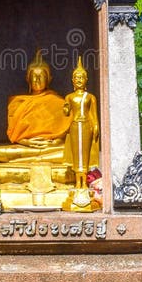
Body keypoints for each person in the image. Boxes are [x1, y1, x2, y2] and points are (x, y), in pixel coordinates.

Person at [0, 50, 73, 185]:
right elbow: (14, 135)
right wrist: (27, 142)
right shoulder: (17, 102)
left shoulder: (59, 102)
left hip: (51, 148)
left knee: (69, 152)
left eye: (41, 76)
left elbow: (67, 133)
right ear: (28, 79)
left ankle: (25, 162)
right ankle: (36, 159)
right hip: (27, 148)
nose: (37, 80)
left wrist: (56, 142)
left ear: (49, 79)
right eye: (34, 76)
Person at [63, 57, 100, 190]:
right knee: (76, 154)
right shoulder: (69, 97)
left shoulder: (90, 97)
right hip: (74, 126)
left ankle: (84, 181)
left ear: (86, 80)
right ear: (72, 80)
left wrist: (96, 126)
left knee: (85, 154)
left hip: (86, 126)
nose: (79, 80)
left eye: (81, 77)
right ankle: (77, 181)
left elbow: (93, 114)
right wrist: (66, 108)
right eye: (76, 77)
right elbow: (66, 113)